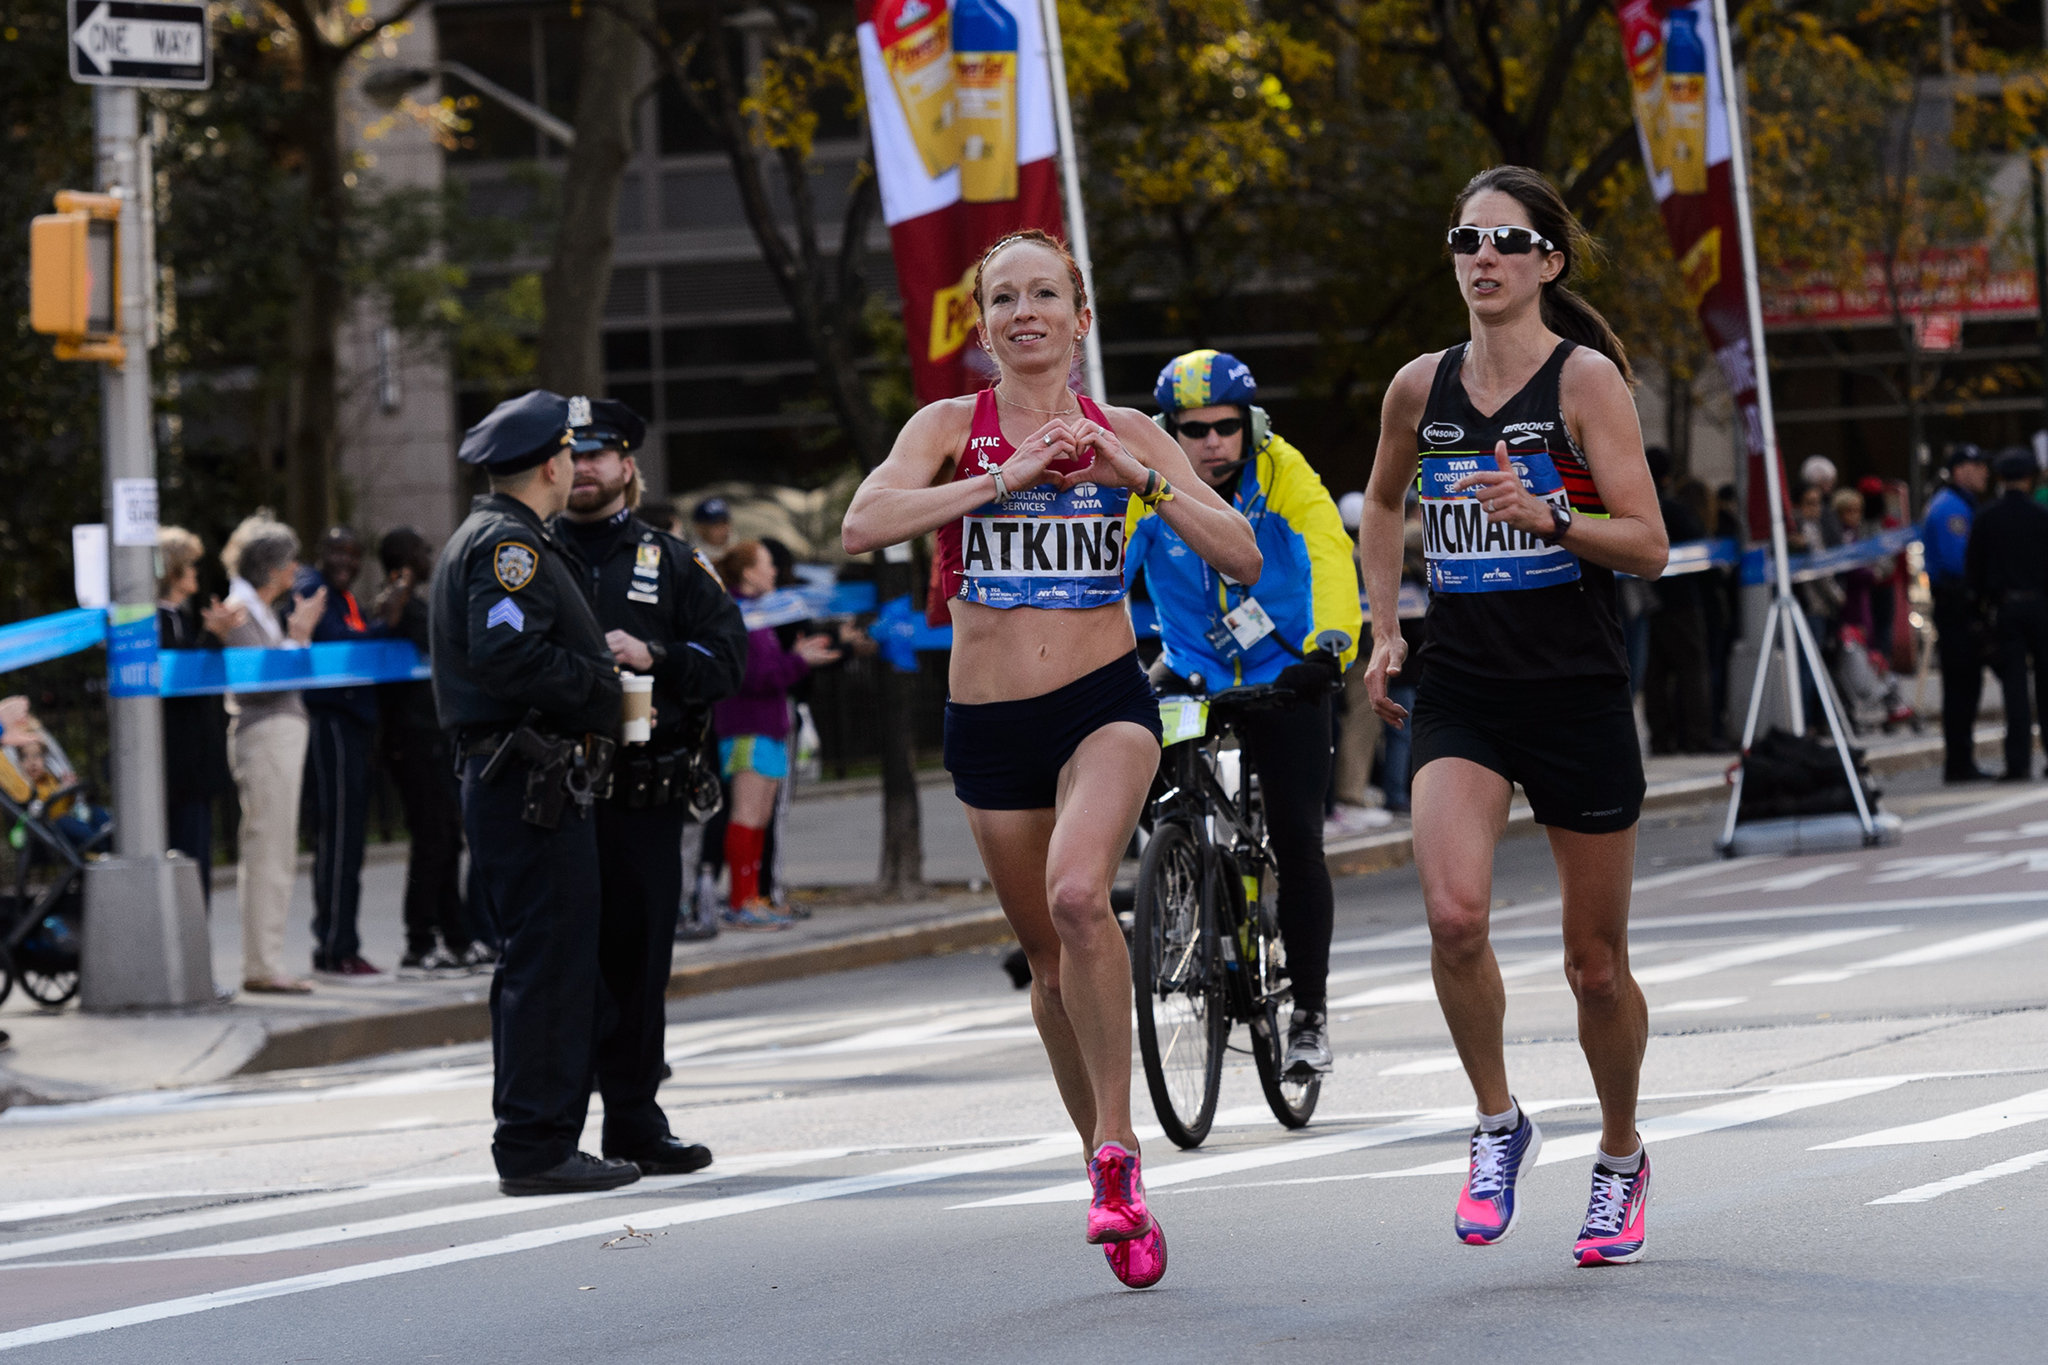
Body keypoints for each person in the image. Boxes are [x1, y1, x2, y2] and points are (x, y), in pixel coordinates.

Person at [841, 228, 1259, 1289]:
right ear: (981, 328)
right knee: (1044, 959)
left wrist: (1135, 475)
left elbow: (1239, 553)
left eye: (1042, 295)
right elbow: (863, 524)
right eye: (1001, 299)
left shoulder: (1125, 429)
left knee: (1081, 900)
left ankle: (1119, 1144)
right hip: (985, 725)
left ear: (1080, 318)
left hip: (1101, 707)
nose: (1022, 312)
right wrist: (999, 480)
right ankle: (1101, 1173)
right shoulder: (947, 426)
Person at [1360, 167, 1669, 1266]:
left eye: (1504, 240)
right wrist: (1384, 625)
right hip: (1465, 689)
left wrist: (1551, 516)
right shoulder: (1417, 388)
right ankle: (1498, 1123)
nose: (1480, 258)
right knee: (1451, 917)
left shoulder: (1583, 382)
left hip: (1574, 691)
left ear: (1546, 262)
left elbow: (1648, 542)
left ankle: (1621, 1156)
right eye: (1464, 240)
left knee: (1593, 963)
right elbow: (1384, 503)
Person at [1125, 347, 1362, 1078]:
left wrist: (1331, 646)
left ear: (1250, 421)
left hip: (1285, 668)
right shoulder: (1147, 479)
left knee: (1297, 838)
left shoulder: (1284, 471)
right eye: (1191, 430)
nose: (1210, 443)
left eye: (1225, 426)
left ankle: (1310, 1016)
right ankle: (1183, 876)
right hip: (1190, 666)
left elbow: (1328, 551)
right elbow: (1108, 568)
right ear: (1170, 430)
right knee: (1128, 772)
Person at [430, 389, 638, 1197]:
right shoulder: (506, 547)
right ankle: (536, 1142)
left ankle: (541, 1133)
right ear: (552, 463)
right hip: (526, 778)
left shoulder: (502, 537)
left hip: (528, 777)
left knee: (547, 958)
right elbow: (507, 658)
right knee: (549, 961)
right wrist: (603, 691)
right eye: (569, 453)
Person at [555, 397, 748, 1172]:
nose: (584, 469)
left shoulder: (669, 561)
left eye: (598, 454)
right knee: (568, 964)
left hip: (645, 793)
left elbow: (729, 661)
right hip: (558, 795)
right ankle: (555, 1130)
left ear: (627, 464)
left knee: (638, 966)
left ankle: (634, 1120)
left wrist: (656, 655)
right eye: (572, 455)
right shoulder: (532, 553)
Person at [221, 515, 326, 995]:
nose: (295, 571)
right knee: (269, 850)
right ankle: (261, 965)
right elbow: (260, 683)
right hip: (266, 736)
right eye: (289, 563)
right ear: (272, 567)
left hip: (277, 735)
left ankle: (265, 961)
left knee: (276, 849)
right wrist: (299, 634)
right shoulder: (240, 608)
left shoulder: (254, 608)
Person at [712, 539, 840, 929]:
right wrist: (799, 661)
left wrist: (799, 659)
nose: (773, 572)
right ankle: (740, 901)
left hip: (766, 727)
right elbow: (753, 678)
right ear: (748, 572)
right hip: (746, 728)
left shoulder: (759, 614)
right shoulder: (738, 616)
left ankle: (754, 897)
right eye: (766, 565)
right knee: (746, 816)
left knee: (759, 818)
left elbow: (771, 671)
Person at [375, 527, 483, 974]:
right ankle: (419, 942)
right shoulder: (396, 603)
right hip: (411, 742)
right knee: (431, 840)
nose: (429, 554)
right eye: (421, 550)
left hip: (436, 738)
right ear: (402, 559)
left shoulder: (420, 604)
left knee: (447, 838)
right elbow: (386, 618)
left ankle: (456, 938)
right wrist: (399, 587)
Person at [295, 528, 388, 978]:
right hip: (330, 725)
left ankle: (343, 941)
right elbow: (339, 642)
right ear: (321, 554)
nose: (344, 562)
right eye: (336, 553)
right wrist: (383, 627)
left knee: (351, 841)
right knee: (337, 838)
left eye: (353, 555)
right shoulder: (313, 588)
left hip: (354, 727)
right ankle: (334, 945)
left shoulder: (347, 598)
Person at [157, 527, 243, 906]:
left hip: (192, 769)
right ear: (173, 572)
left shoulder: (178, 618)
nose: (195, 573)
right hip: (184, 769)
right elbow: (182, 686)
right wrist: (213, 636)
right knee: (190, 865)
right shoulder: (161, 622)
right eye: (189, 565)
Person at [1966, 448, 2048, 782]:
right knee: (2046, 686)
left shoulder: (1987, 517)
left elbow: (1974, 569)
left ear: (2000, 479)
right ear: (2030, 479)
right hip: (2042, 607)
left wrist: (1977, 611)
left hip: (2006, 608)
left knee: (2014, 689)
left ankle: (2018, 763)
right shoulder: (2042, 516)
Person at [1926, 445, 1992, 782]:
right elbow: (1957, 563)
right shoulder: (1951, 508)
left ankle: (1962, 760)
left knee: (1966, 683)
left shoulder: (1959, 504)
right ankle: (1959, 763)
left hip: (1958, 605)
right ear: (1959, 471)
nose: (1984, 472)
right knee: (1962, 685)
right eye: (1977, 465)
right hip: (1955, 606)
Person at [1641, 448, 1710, 754]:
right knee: (1691, 669)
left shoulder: (1638, 507)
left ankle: (1661, 738)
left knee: (1654, 673)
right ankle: (1697, 736)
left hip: (1647, 602)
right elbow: (1702, 546)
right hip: (1681, 602)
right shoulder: (1674, 510)